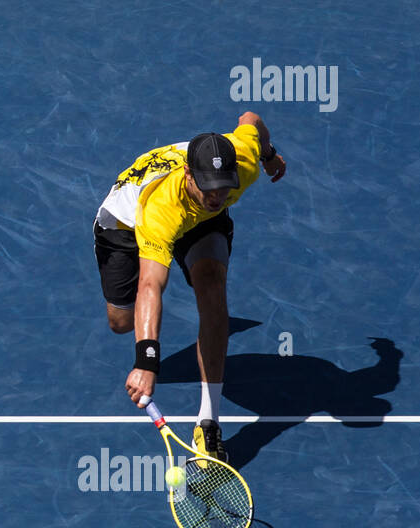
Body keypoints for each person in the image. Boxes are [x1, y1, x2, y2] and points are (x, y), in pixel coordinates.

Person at [92, 112, 287, 459]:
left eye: (224, 186)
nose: (218, 196)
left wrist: (269, 156)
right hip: (125, 222)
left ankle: (208, 423)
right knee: (121, 323)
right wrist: (147, 362)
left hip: (199, 223)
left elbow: (251, 119)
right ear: (188, 175)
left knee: (212, 290)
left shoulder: (241, 164)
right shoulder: (160, 210)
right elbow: (151, 285)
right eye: (210, 187)